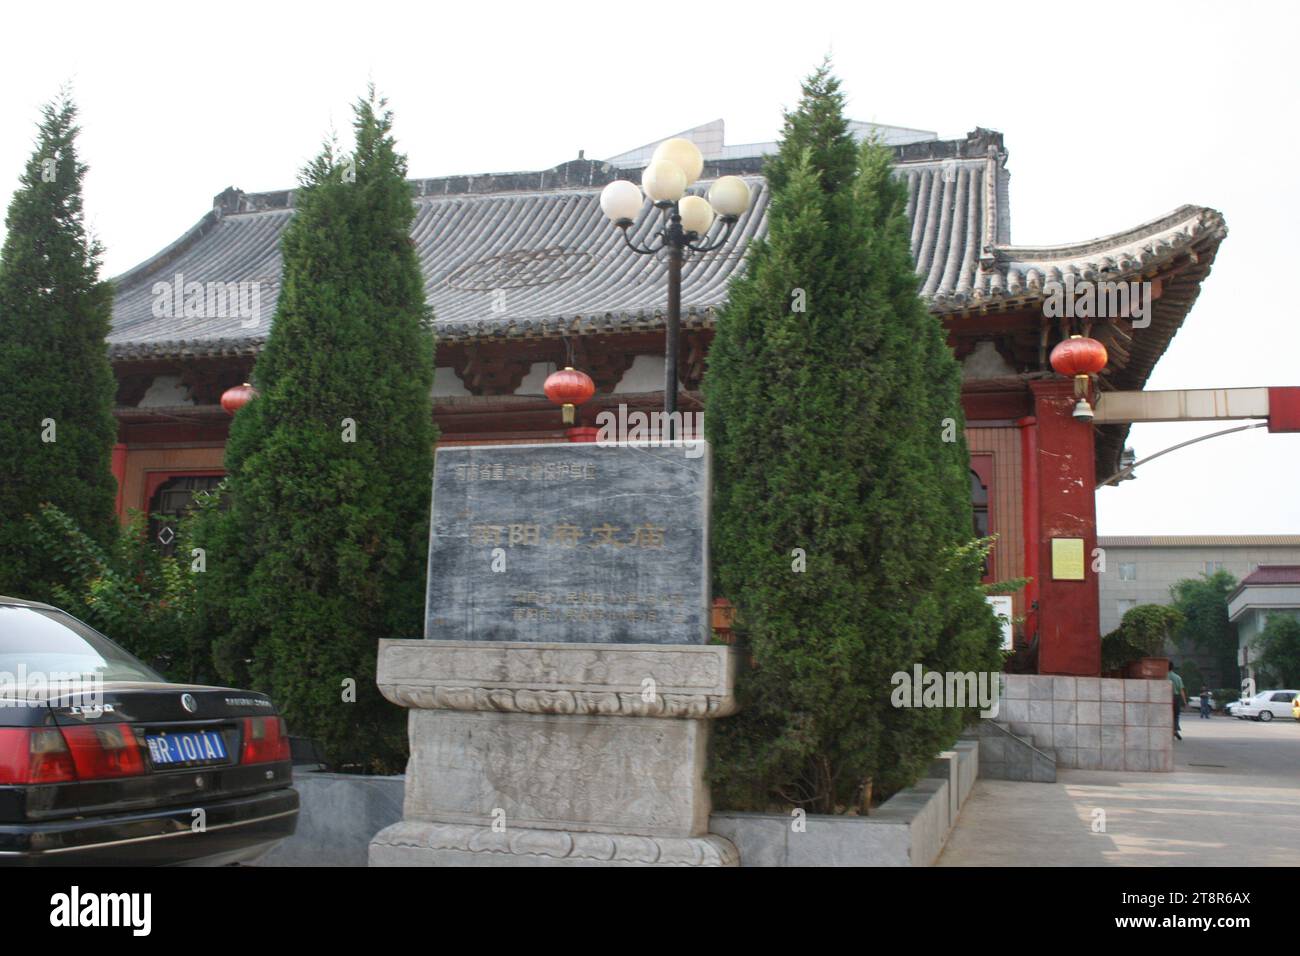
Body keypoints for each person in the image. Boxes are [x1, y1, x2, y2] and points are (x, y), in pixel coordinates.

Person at [1168, 663, 1186, 740]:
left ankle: (1168, 730)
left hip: (1165, 697)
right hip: (1176, 697)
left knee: (1166, 715)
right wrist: (1185, 701)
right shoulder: (1177, 677)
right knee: (1176, 715)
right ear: (1173, 668)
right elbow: (1181, 690)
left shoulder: (1163, 676)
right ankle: (1175, 730)